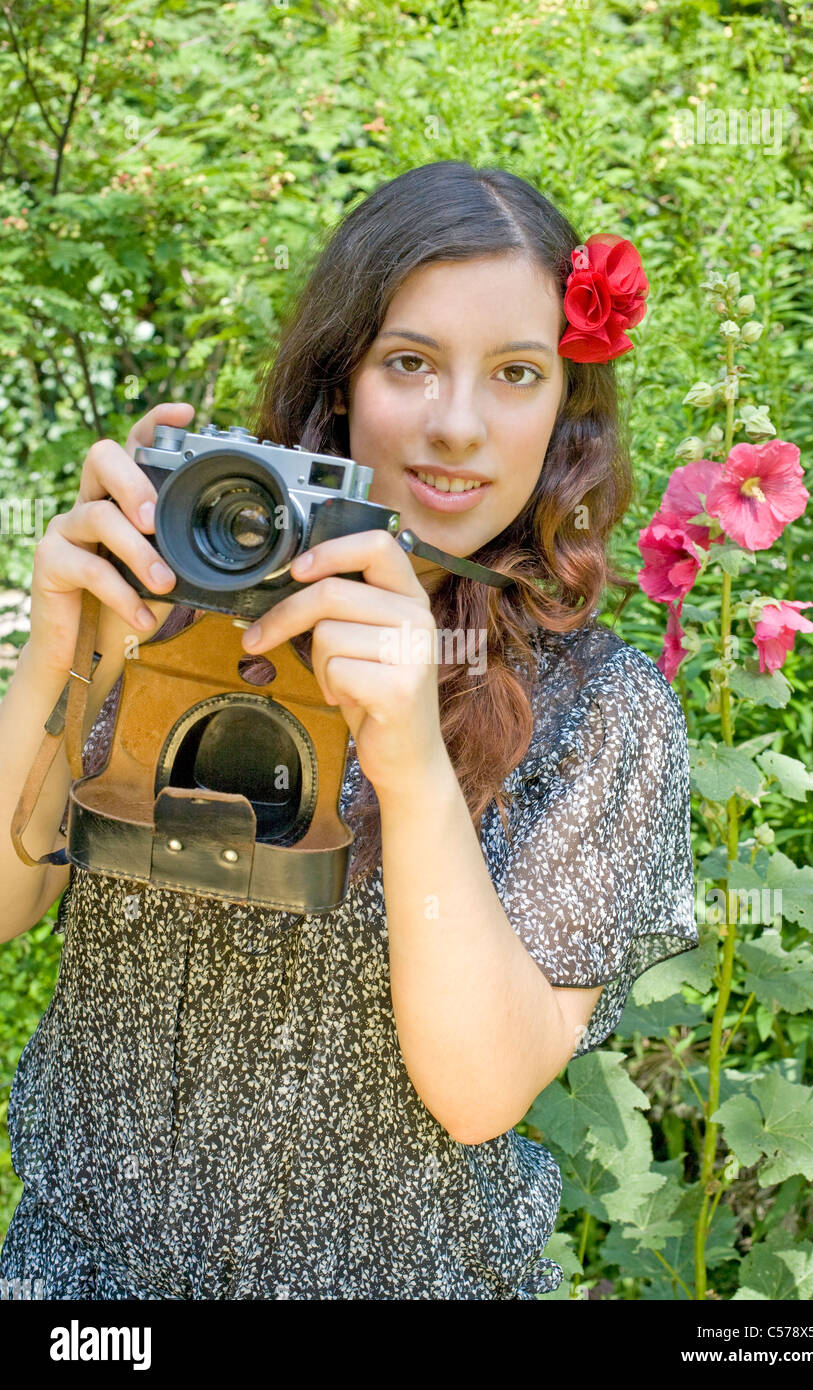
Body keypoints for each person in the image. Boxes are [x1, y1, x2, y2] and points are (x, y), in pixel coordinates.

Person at [0, 160, 699, 1300]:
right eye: (410, 362)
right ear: (341, 382)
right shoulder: (186, 585)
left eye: (516, 373)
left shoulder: (600, 715)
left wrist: (413, 764)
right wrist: (59, 658)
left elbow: (476, 1089)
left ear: (565, 408)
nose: (458, 425)